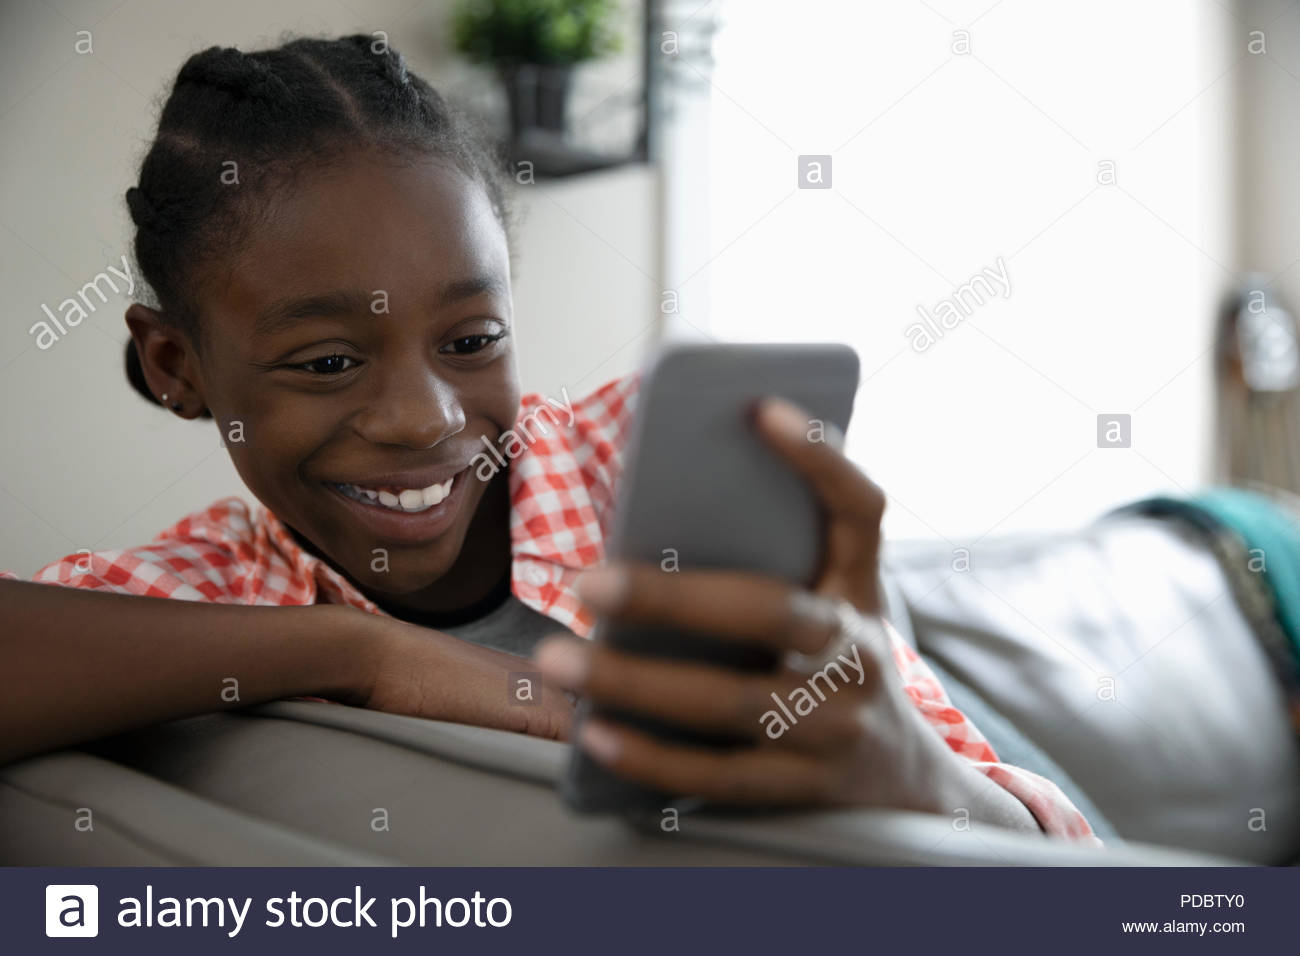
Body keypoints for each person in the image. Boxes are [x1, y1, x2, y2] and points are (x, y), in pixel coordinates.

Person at [0, 36, 1095, 844]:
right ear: (175, 367)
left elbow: (1058, 850)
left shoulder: (645, 463)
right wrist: (368, 652)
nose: (427, 416)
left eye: (471, 337)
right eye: (328, 361)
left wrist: (904, 759)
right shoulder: (203, 587)